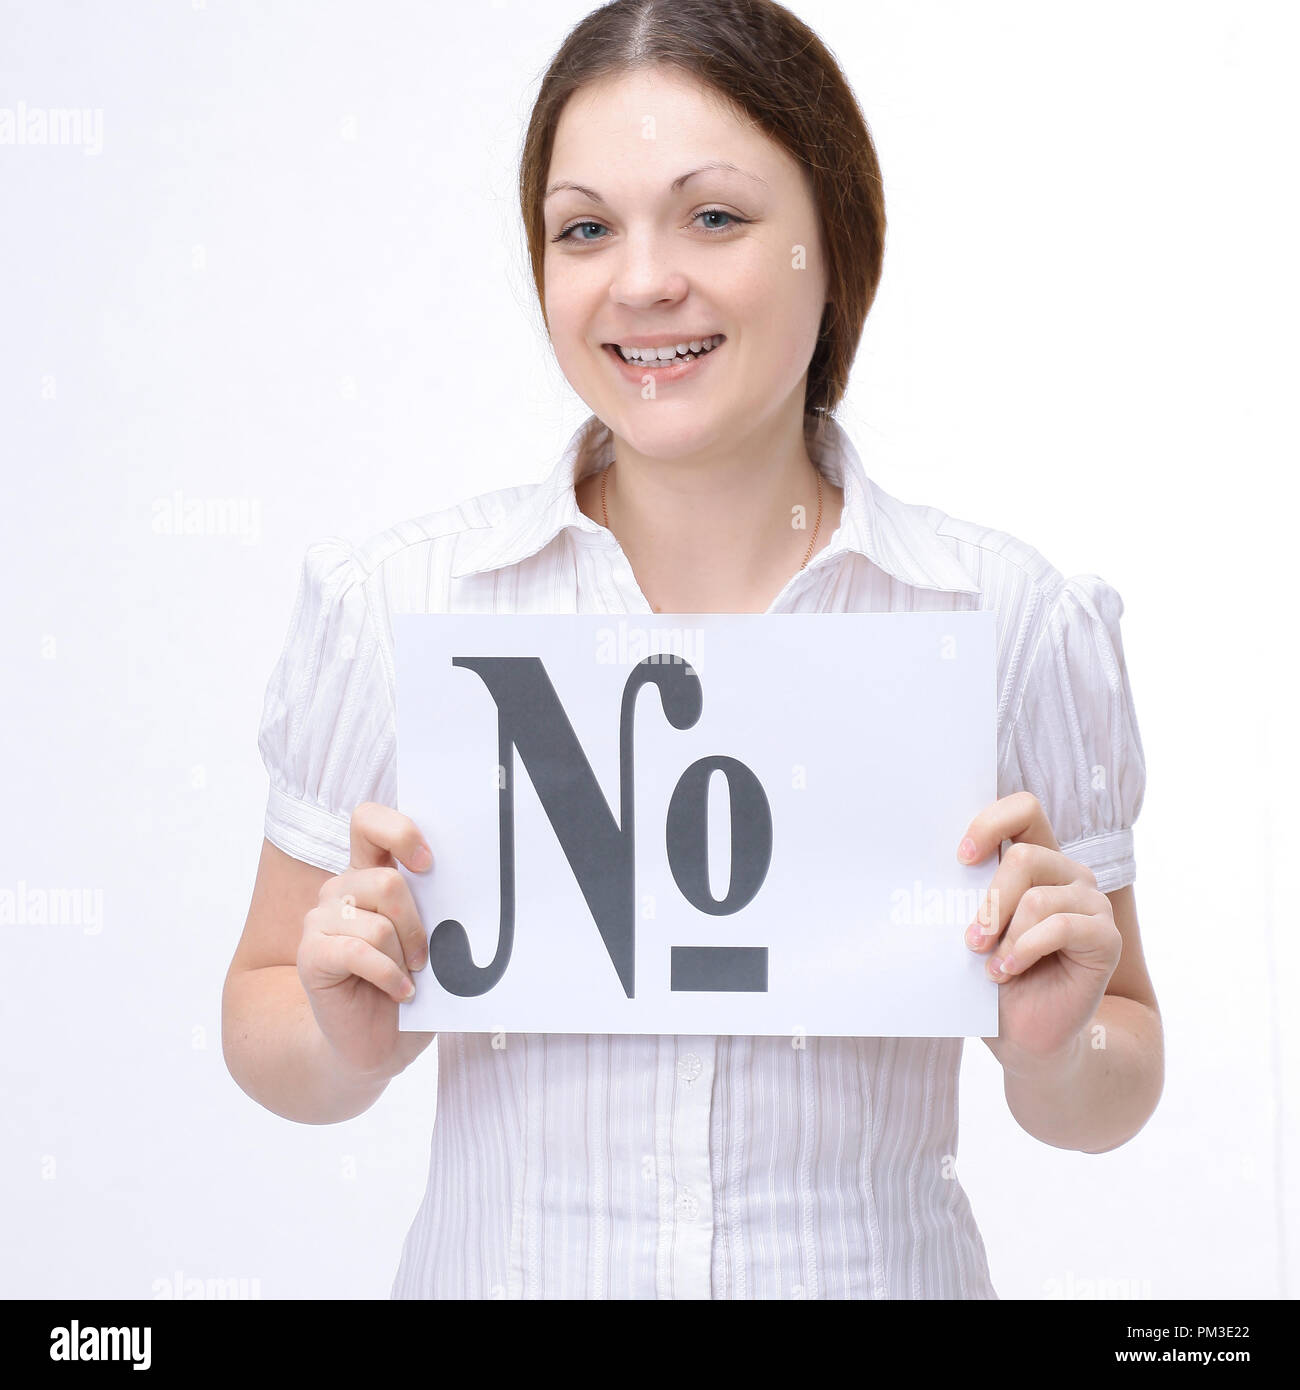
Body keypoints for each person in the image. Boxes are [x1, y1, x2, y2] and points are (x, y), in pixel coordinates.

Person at [221, 0, 1162, 1299]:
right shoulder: (401, 603)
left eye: (714, 216)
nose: (643, 278)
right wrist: (343, 1033)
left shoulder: (1005, 614)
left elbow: (1110, 1084)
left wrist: (1056, 1044)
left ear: (831, 244)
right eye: (584, 227)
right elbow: (267, 1021)